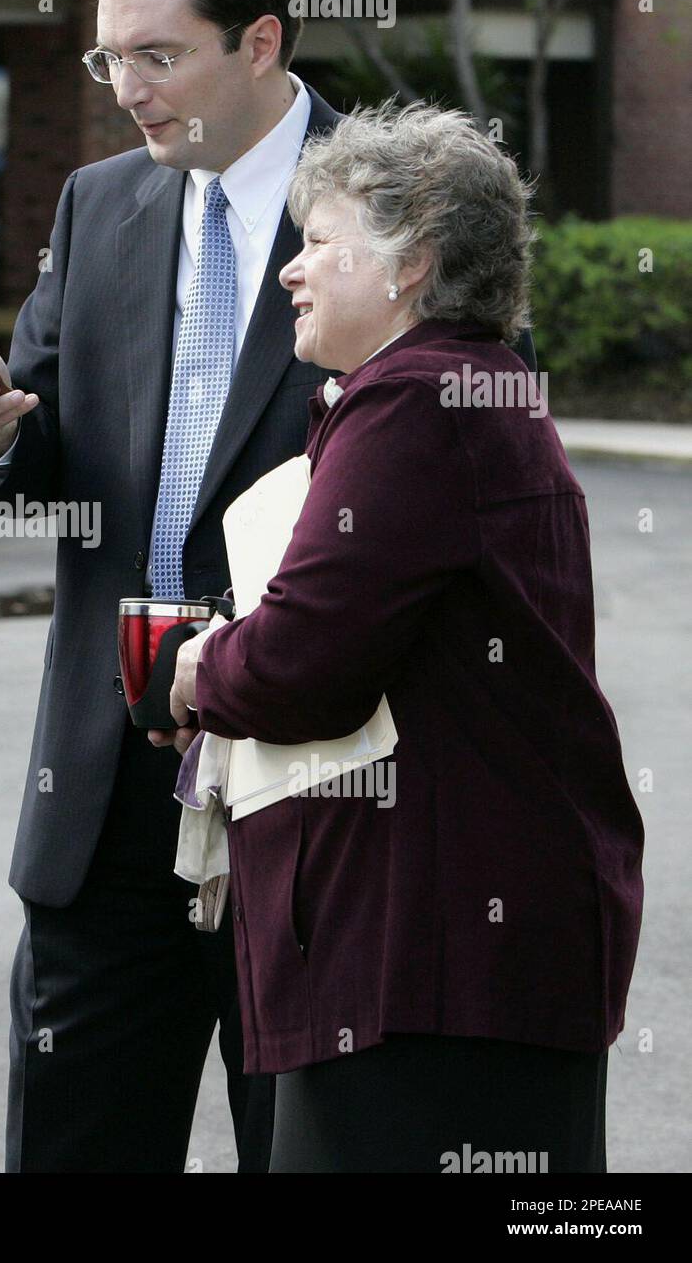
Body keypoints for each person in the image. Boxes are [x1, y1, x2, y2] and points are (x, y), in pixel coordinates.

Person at [0, 0, 530, 1173]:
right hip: (106, 782)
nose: (126, 90)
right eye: (106, 58)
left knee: (308, 1154)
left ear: (259, 41)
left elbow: (464, 452)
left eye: (157, 56)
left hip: (316, 789)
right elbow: (43, 449)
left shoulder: (399, 210)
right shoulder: (98, 205)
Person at [158, 101, 644, 1173]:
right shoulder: (468, 388)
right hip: (476, 945)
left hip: (432, 953)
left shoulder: (414, 402)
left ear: (411, 263)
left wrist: (195, 670)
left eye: (320, 242)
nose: (291, 269)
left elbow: (298, 666)